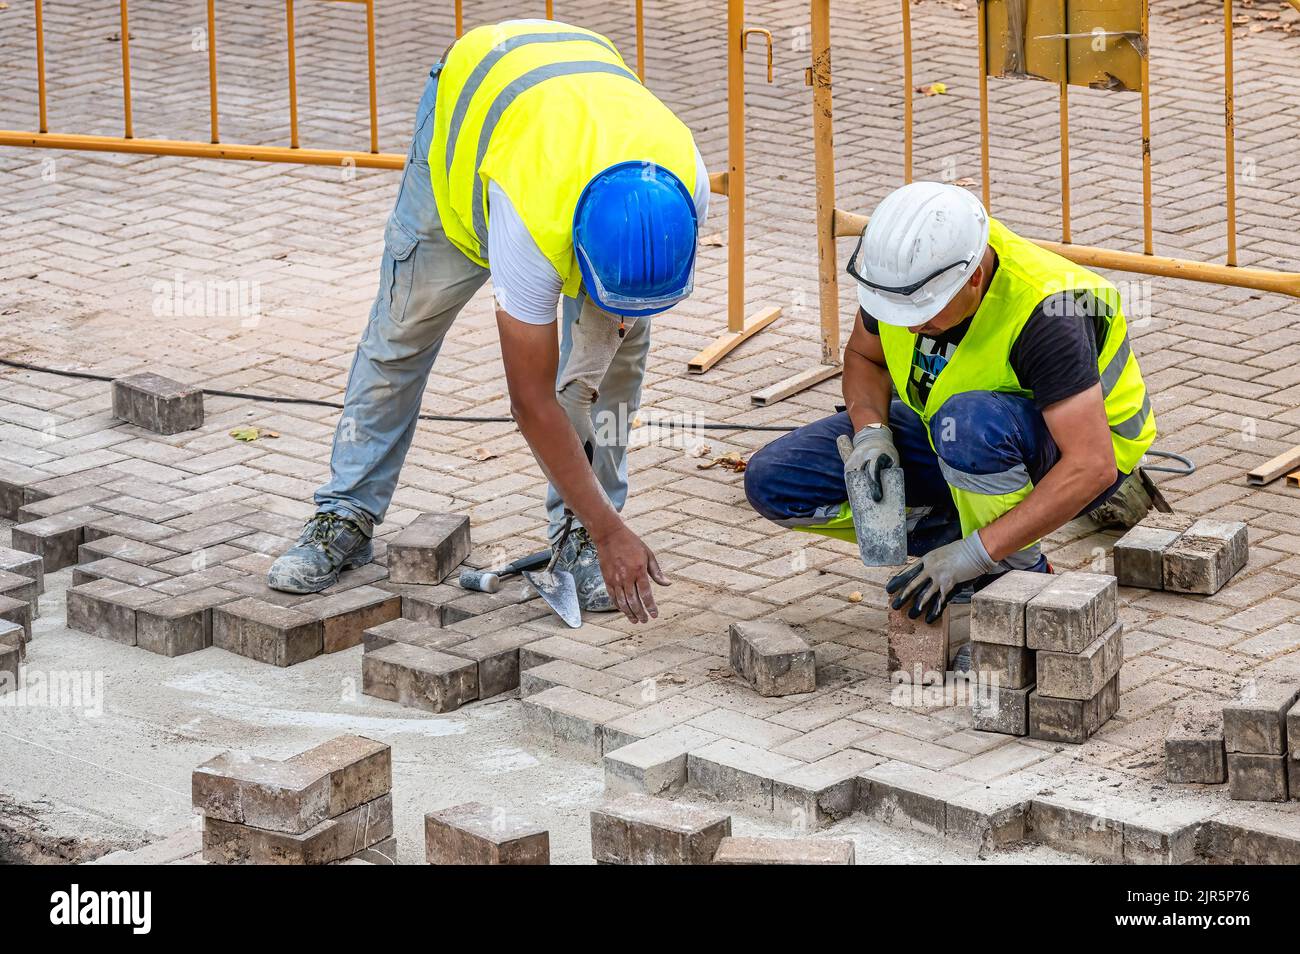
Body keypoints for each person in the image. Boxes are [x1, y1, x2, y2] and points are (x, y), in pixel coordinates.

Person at [267, 19, 709, 625]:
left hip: (578, 107)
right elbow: (531, 404)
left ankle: (579, 528)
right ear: (576, 252)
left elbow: (615, 338)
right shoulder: (529, 220)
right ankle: (345, 512)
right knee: (405, 329)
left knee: (617, 366)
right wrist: (616, 533)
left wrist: (615, 330)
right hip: (476, 119)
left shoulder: (681, 185)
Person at [744, 181, 1156, 623]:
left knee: (969, 424)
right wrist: (871, 433)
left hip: (1070, 456)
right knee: (774, 482)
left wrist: (976, 554)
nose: (909, 327)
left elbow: (1092, 466)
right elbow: (865, 356)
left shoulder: (1049, 312)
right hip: (950, 436)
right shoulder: (901, 277)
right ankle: (960, 538)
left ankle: (1017, 577)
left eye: (923, 313)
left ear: (974, 278)